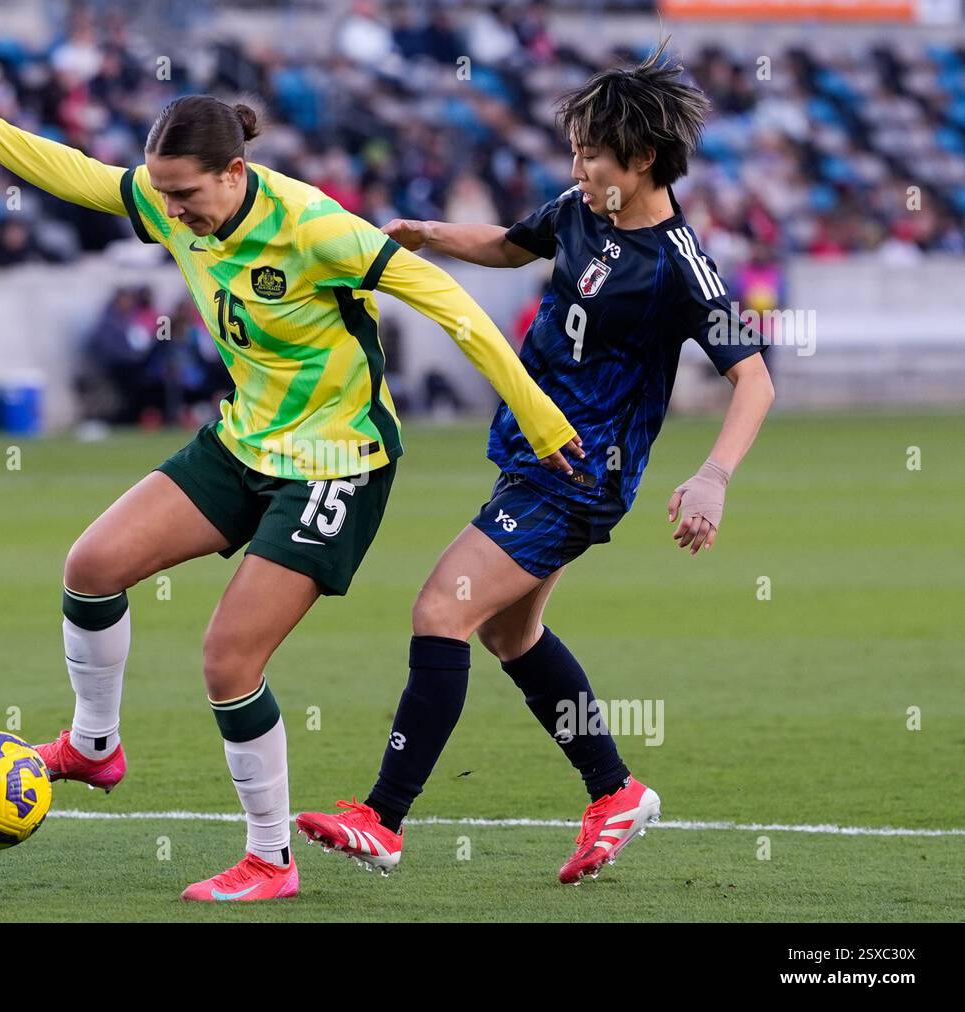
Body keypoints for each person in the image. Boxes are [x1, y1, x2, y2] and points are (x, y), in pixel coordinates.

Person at [0, 67, 583, 901]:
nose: (172, 210)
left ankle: (271, 860)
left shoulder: (315, 228)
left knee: (229, 661)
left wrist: (540, 414)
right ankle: (94, 748)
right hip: (243, 443)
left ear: (235, 173)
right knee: (91, 567)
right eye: (162, 193)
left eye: (187, 194)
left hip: (335, 462)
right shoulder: (170, 197)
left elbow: (449, 301)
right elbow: (79, 175)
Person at [296, 42, 776, 885]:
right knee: (510, 632)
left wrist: (713, 478)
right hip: (531, 456)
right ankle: (614, 791)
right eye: (577, 151)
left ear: (646, 159)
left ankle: (383, 817)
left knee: (441, 609)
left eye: (593, 153)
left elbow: (755, 380)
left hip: (580, 474)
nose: (580, 165)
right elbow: (515, 244)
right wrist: (425, 237)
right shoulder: (581, 209)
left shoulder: (680, 266)